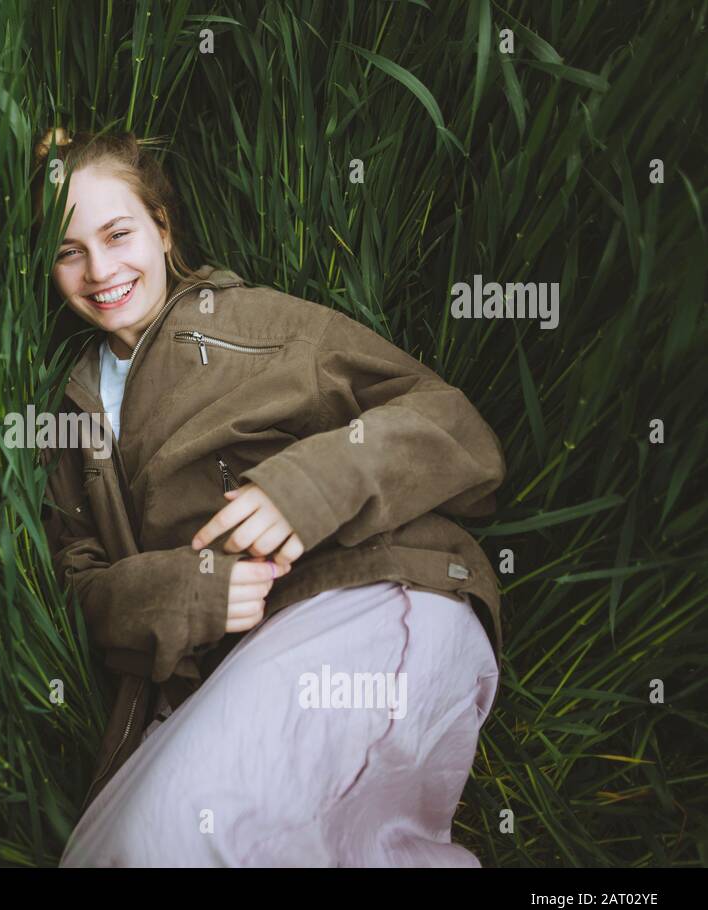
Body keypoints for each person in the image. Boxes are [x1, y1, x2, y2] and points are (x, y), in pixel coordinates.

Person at [33, 126, 507, 866]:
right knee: (106, 852)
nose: (100, 269)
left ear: (161, 228)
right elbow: (79, 583)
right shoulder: (70, 410)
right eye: (68, 251)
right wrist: (184, 594)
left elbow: (456, 428)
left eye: (118, 233)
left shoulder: (254, 322)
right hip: (225, 673)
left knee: (167, 842)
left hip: (371, 590)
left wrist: (307, 486)